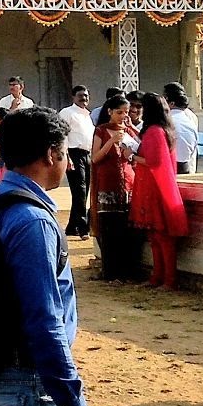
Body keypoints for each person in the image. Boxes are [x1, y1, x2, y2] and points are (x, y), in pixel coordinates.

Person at [0, 108, 92, 406]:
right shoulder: (33, 221)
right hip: (26, 378)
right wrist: (72, 401)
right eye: (65, 155)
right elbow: (44, 320)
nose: (70, 166)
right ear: (49, 156)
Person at [129, 93, 190, 290]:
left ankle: (168, 279)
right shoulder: (163, 129)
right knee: (155, 236)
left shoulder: (155, 131)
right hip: (154, 185)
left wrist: (132, 156)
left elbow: (154, 162)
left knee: (161, 237)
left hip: (154, 187)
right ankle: (158, 277)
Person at [89, 95, 142, 281]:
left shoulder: (129, 131)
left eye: (126, 112)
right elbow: (94, 158)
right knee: (110, 229)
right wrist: (111, 142)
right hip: (107, 184)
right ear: (110, 112)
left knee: (127, 229)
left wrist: (130, 129)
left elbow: (140, 148)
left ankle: (129, 270)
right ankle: (111, 271)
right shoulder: (101, 130)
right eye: (119, 112)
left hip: (128, 184)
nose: (122, 116)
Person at [57, 85, 95, 238]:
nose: (84, 98)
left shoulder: (87, 115)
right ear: (73, 97)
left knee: (84, 192)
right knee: (79, 191)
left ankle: (72, 226)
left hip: (87, 155)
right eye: (80, 95)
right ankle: (82, 227)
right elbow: (62, 136)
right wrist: (67, 157)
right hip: (73, 154)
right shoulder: (67, 113)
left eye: (86, 96)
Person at [164, 83, 200, 175]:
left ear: (171, 103)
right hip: (187, 164)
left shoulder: (165, 119)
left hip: (171, 165)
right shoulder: (190, 117)